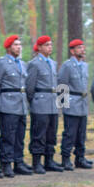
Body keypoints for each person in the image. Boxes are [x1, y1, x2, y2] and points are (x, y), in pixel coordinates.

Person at [0, 34, 30, 178]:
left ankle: (18, 162)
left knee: (20, 135)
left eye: (20, 44)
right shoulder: (1, 63)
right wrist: (2, 100)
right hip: (8, 103)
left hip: (21, 103)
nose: (18, 47)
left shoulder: (22, 64)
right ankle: (6, 163)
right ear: (8, 47)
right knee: (8, 135)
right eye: (15, 45)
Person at [25, 36, 62, 173]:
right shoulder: (34, 63)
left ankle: (49, 160)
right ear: (39, 47)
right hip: (40, 103)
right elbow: (30, 87)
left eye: (51, 45)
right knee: (39, 134)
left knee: (51, 134)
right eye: (47, 45)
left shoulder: (53, 63)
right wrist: (33, 102)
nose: (50, 47)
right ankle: (36, 162)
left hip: (52, 102)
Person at [58, 38, 92, 170]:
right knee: (70, 133)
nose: (82, 50)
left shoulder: (84, 65)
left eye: (83, 47)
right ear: (72, 51)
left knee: (81, 133)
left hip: (82, 103)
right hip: (71, 102)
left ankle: (80, 158)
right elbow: (62, 85)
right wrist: (63, 106)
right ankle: (65, 158)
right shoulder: (67, 66)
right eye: (79, 48)